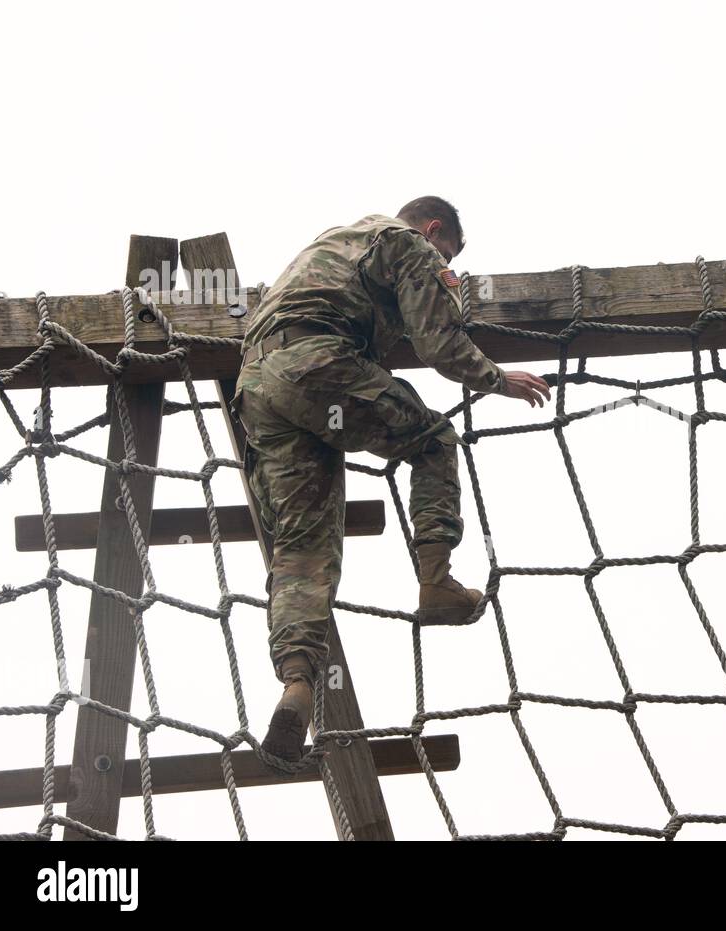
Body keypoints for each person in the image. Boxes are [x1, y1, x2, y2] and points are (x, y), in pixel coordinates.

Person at [231, 196, 550, 764]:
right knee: (432, 442)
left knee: (302, 547)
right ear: (433, 230)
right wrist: (498, 379)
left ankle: (297, 682)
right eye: (447, 250)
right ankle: (436, 582)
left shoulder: (331, 241)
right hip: (320, 367)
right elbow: (438, 343)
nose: (444, 259)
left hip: (259, 387)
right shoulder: (409, 243)